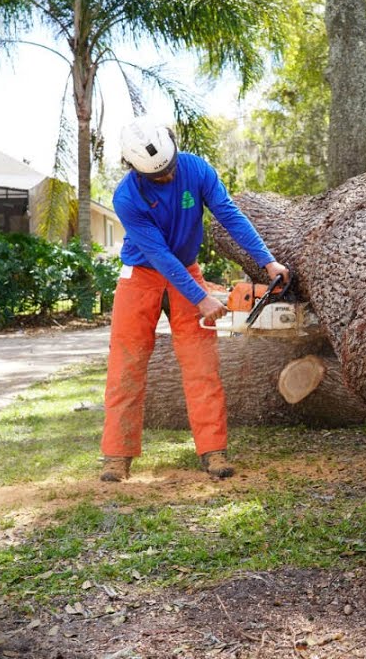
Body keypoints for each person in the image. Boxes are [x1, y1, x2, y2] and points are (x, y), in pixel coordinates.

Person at [100, 116, 288, 481]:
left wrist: (267, 261)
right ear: (136, 170)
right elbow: (159, 256)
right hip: (141, 276)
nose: (167, 178)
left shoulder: (196, 169)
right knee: (126, 365)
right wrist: (201, 297)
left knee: (202, 365)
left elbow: (230, 216)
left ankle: (213, 452)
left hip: (187, 269)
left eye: (169, 169)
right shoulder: (126, 197)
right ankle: (116, 456)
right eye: (158, 176)